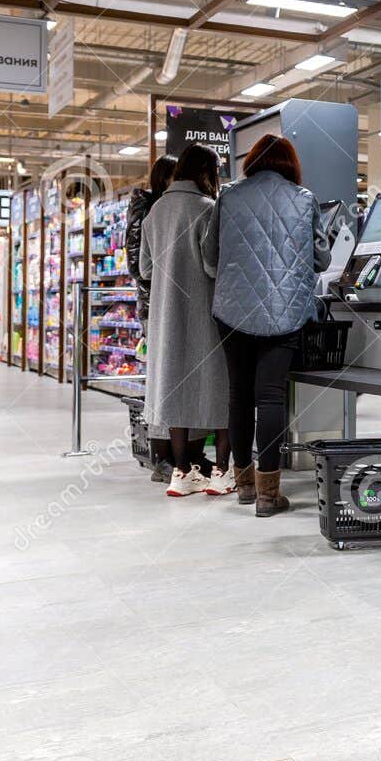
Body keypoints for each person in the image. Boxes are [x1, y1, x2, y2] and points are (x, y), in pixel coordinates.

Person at [207, 134, 332, 516]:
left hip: (232, 310)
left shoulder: (229, 195)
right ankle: (268, 494)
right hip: (285, 311)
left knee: (239, 396)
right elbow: (322, 259)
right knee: (271, 397)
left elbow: (209, 254)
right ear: (290, 163)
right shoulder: (305, 199)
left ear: (252, 161)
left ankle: (244, 485)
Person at [139, 144, 234, 498]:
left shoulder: (156, 210)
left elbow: (145, 269)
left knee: (174, 390)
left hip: (166, 317)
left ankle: (181, 473)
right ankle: (221, 472)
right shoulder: (207, 209)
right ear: (206, 172)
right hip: (203, 315)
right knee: (220, 389)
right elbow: (212, 265)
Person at [127, 155, 178, 483]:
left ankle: (181, 453)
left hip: (172, 305)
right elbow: (137, 265)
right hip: (156, 307)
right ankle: (162, 458)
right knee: (161, 382)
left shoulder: (167, 206)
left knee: (174, 381)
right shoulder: (147, 208)